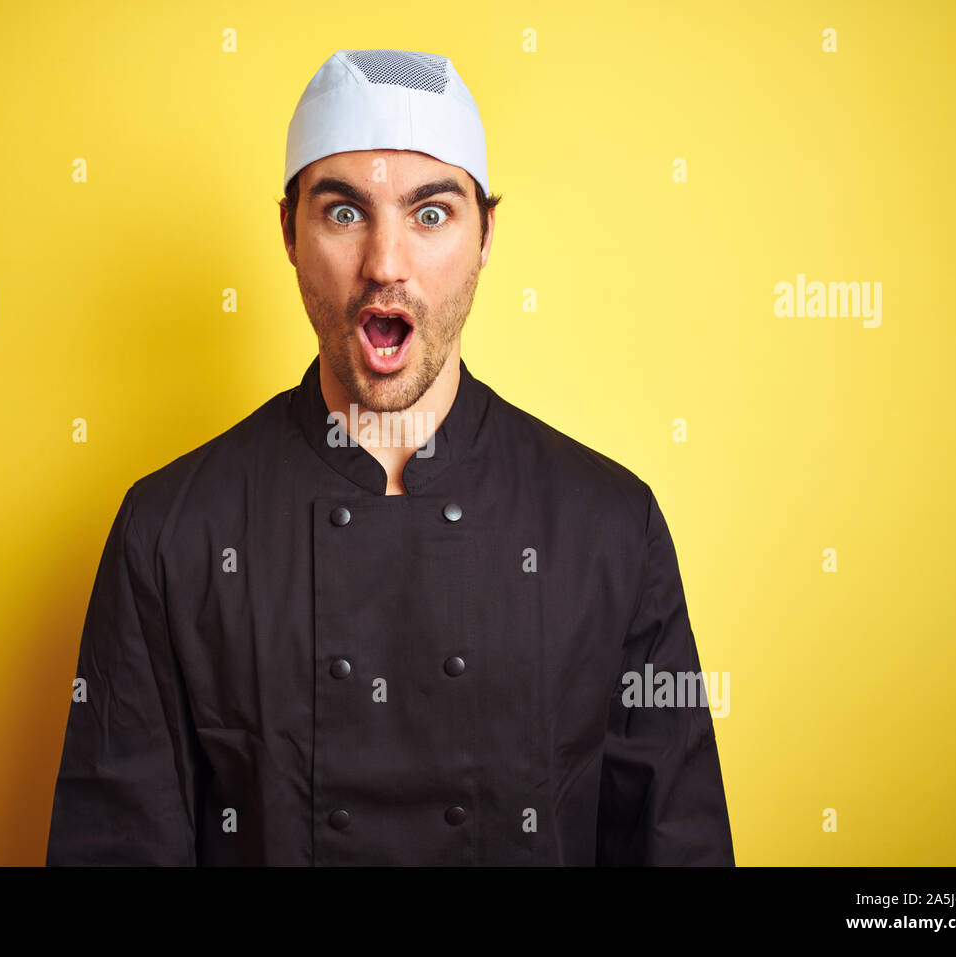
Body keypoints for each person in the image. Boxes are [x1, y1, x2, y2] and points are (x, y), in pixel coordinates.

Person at [45, 48, 734, 866]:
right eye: (343, 212)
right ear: (289, 235)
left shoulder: (612, 527)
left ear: (485, 237)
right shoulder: (171, 531)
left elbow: (677, 844)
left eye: (431, 214)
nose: (385, 263)